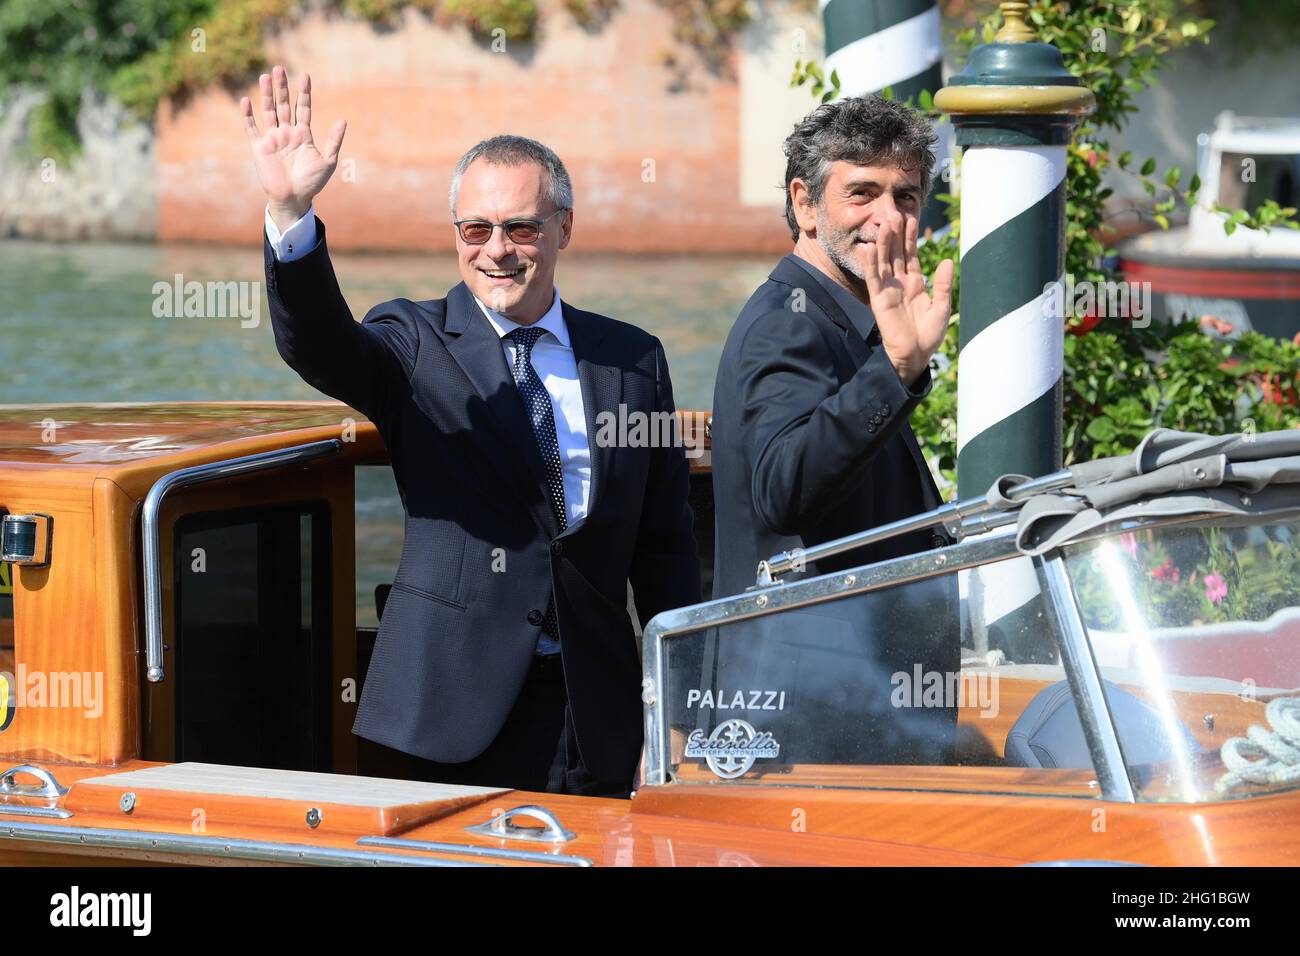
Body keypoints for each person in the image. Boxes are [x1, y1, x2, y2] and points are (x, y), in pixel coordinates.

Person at [241, 66, 700, 796]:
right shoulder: (413, 338)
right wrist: (290, 215)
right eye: (475, 229)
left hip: (597, 713)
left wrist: (676, 711)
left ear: (563, 230)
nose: (497, 250)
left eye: (521, 227)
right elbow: (323, 346)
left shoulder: (632, 357)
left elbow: (665, 550)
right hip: (448, 709)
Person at [703, 95, 958, 769]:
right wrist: (897, 370)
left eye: (906, 195)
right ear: (806, 203)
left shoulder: (848, 319)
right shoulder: (787, 321)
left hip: (857, 705)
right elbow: (785, 490)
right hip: (805, 720)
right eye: (862, 192)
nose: (889, 216)